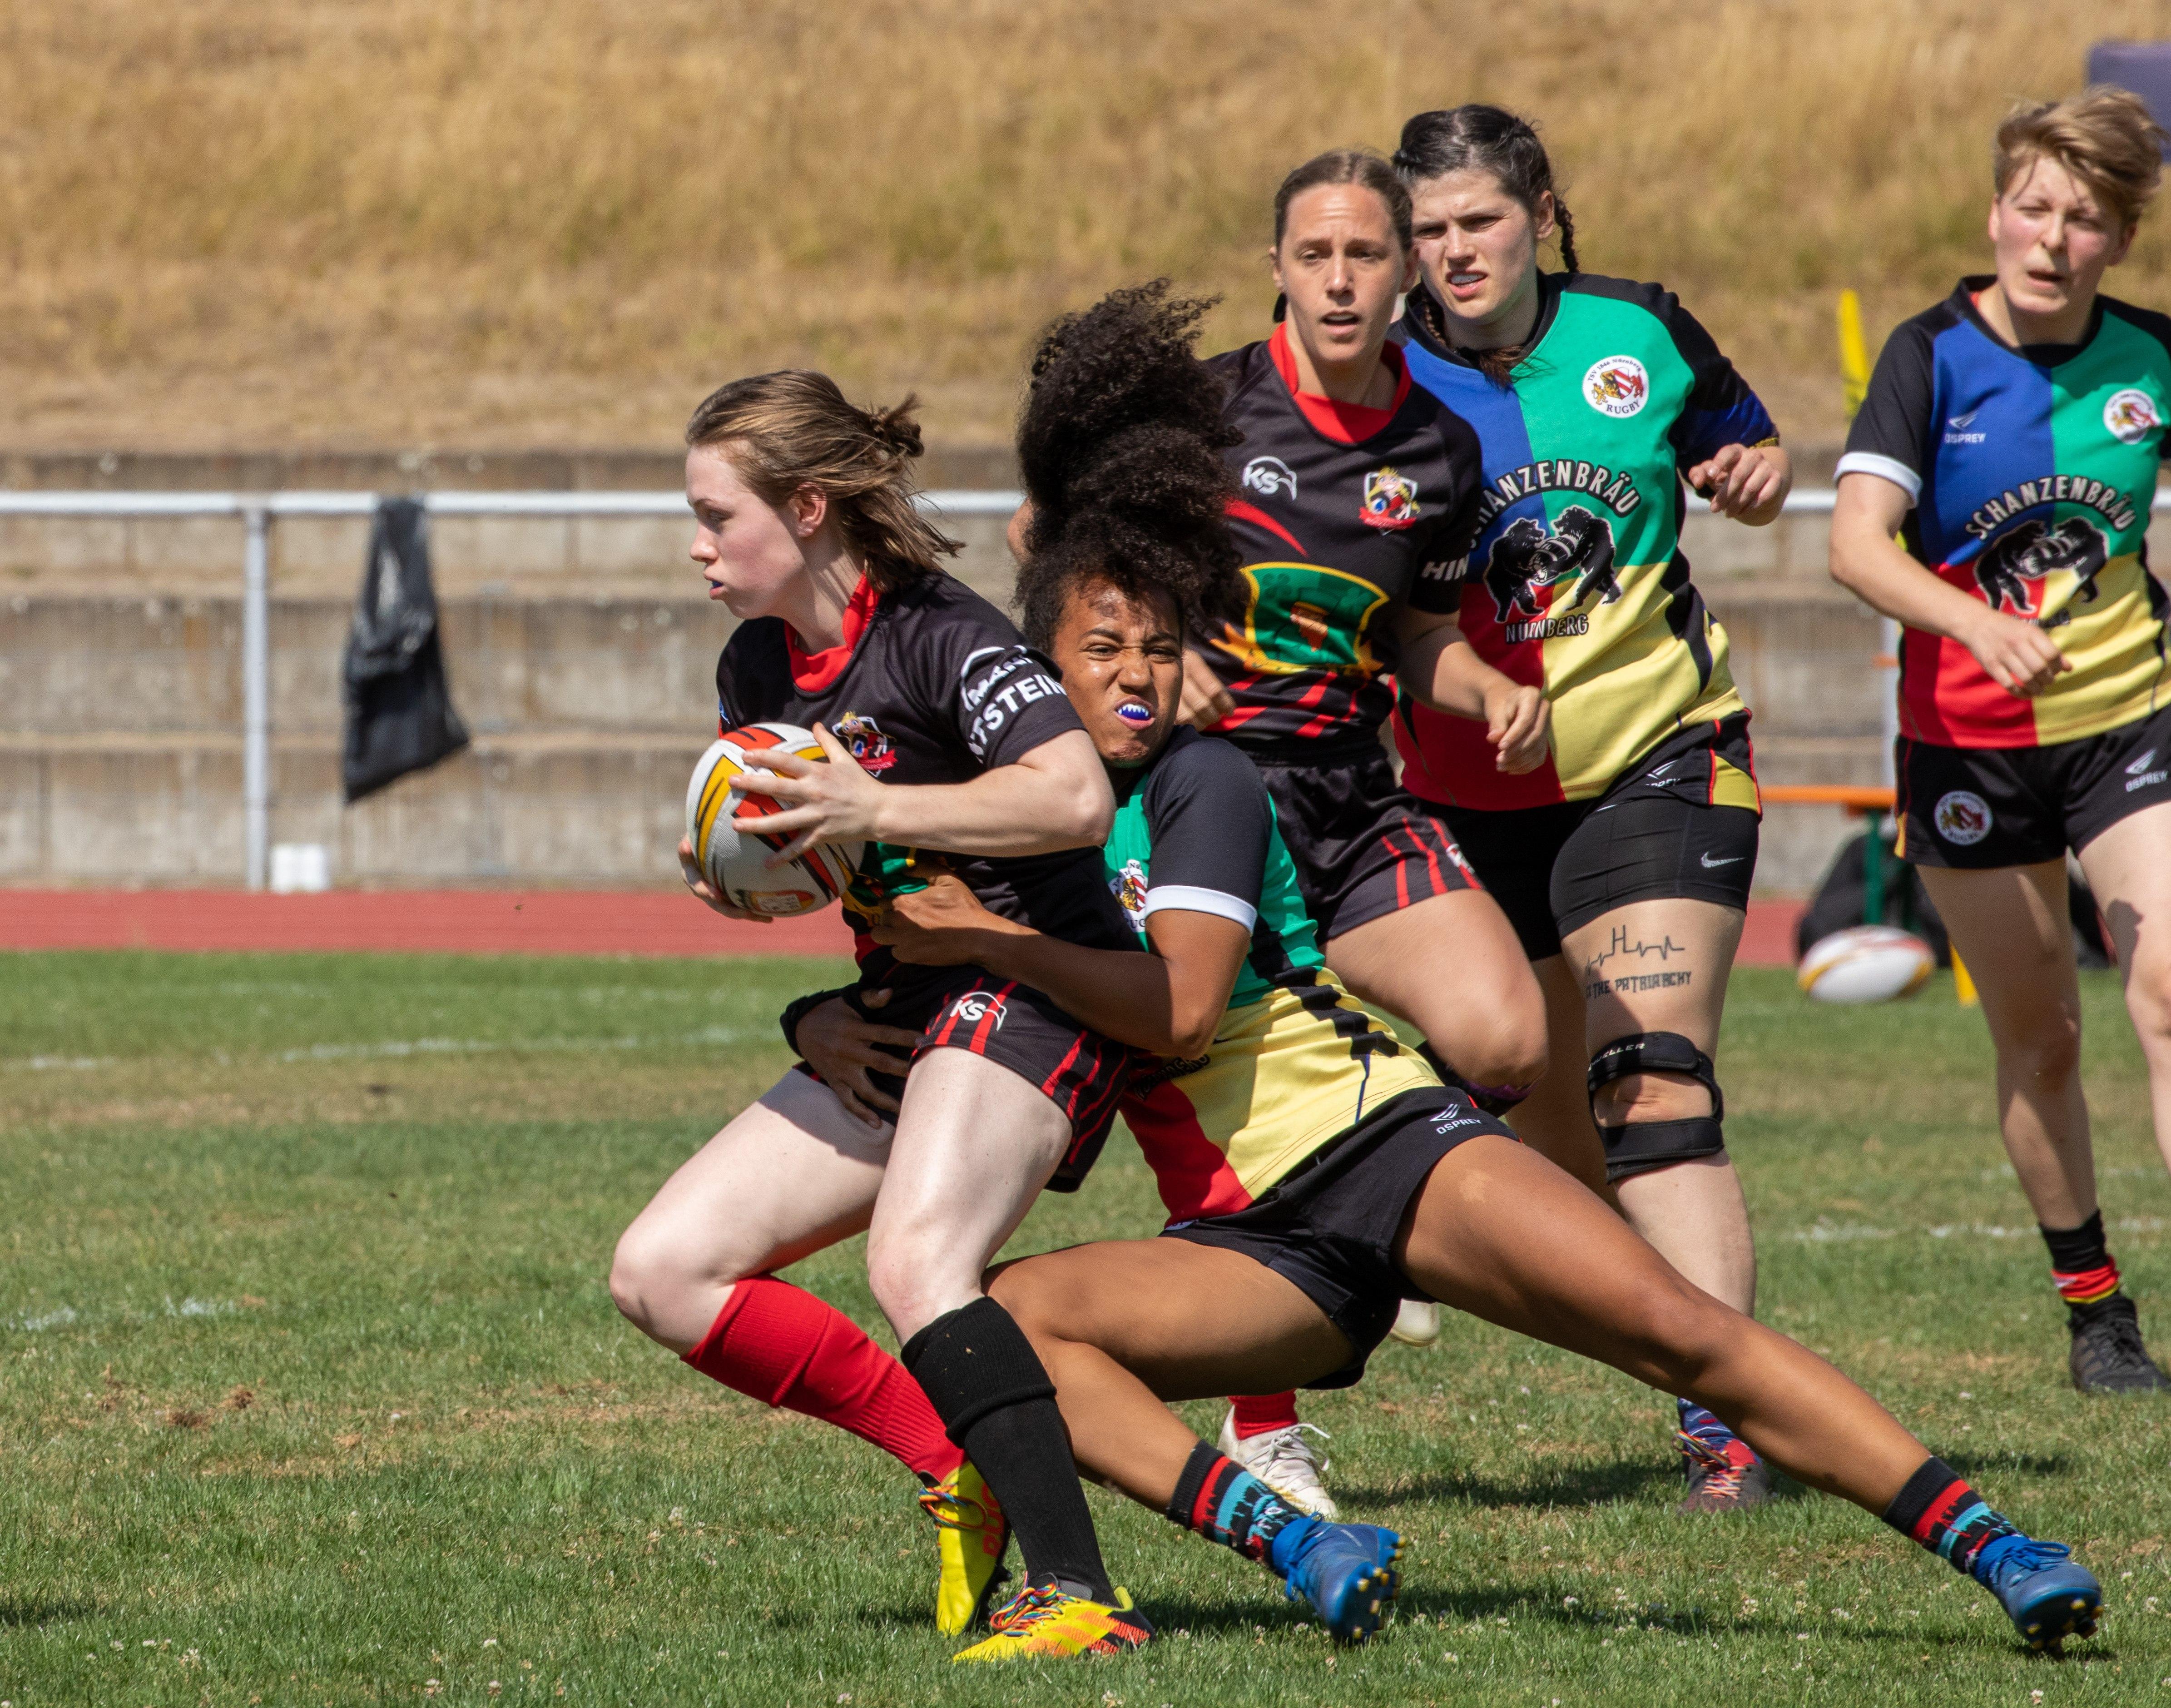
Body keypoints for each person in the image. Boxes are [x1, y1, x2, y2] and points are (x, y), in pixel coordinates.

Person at [868, 313, 2103, 1651]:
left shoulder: (1202, 780)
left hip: (1379, 1147)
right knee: (1012, 1321)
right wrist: (833, 1011)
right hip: (1257, 1240)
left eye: (1160, 649)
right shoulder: (1030, 824)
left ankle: (1997, 1545)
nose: (1135, 677)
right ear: (1038, 664)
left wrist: (982, 938)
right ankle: (1300, 1540)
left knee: (1678, 1334)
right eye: (1102, 648)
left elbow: (1177, 1011)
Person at [607, 369, 1153, 1663]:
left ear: (806, 508)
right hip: (903, 1008)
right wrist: (765, 913)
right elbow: (828, 858)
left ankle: (1077, 1596)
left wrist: (875, 808)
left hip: (1035, 985)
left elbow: (1074, 797)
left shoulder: (942, 637)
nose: (697, 547)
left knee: (915, 1263)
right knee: (662, 1272)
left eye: (716, 516)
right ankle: (951, 1465)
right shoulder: (755, 660)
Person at [1383, 105, 1791, 1508]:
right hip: (1454, 796)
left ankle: (1728, 1430)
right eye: (1428, 232)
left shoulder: (1639, 329)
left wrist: (1754, 477)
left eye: (1479, 222)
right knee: (1547, 1136)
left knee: (1652, 1079)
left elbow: (1747, 455)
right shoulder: (1368, 370)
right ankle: (1664, 1330)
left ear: (1540, 215)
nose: (1454, 252)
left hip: (1658, 753)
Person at [1179, 147, 1557, 1458]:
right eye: (1314, 256)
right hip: (1206, 808)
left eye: (1364, 255)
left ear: (1407, 272)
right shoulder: (1200, 413)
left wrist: (1483, 686)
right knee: (1240, 1120)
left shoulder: (1439, 447)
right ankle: (1264, 1424)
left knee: (1507, 1040)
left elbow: (1415, 632)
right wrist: (1148, 657)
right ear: (1277, 269)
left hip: (1350, 795)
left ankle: (1378, 1204)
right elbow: (1045, 543)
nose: (1340, 281)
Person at [1830, 87, 2171, 1394]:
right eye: (2033, 209)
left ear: (2118, 242)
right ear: (1993, 216)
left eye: (2082, 220)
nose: (2051, 240)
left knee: (2164, 990)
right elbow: (1855, 545)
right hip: (1965, 749)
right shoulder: (1928, 358)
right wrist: (1974, 622)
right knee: (2041, 1040)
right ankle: (2095, 1313)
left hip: (2128, 721)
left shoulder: (2149, 360)